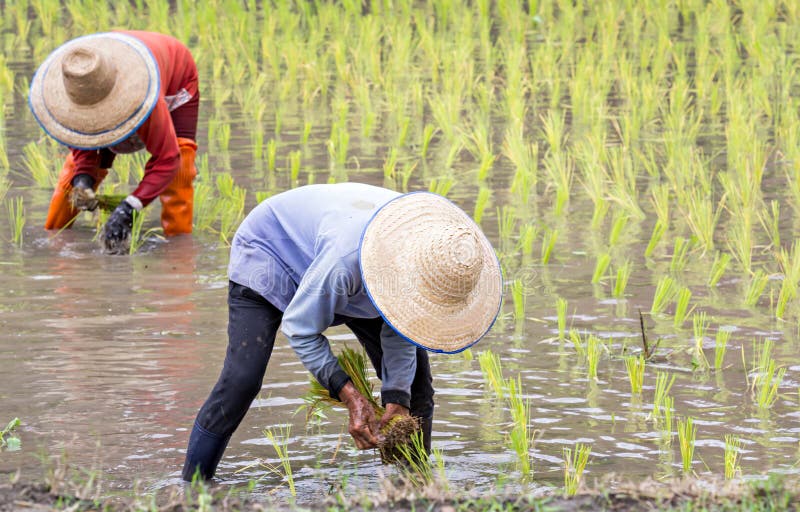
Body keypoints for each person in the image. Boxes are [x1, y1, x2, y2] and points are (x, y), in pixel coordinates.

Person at [181, 182, 503, 481]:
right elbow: (299, 327)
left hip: (360, 276)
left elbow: (403, 329)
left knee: (415, 391)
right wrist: (350, 395)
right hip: (271, 253)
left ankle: (415, 490)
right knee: (242, 379)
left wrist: (396, 399)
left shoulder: (425, 256)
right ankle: (193, 487)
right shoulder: (344, 263)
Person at [28, 31, 200, 252]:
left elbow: (167, 159)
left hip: (175, 72)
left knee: (180, 165)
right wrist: (83, 181)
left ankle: (179, 250)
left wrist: (130, 208)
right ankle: (54, 235)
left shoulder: (144, 96)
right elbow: (84, 147)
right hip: (101, 81)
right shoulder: (78, 83)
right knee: (74, 174)